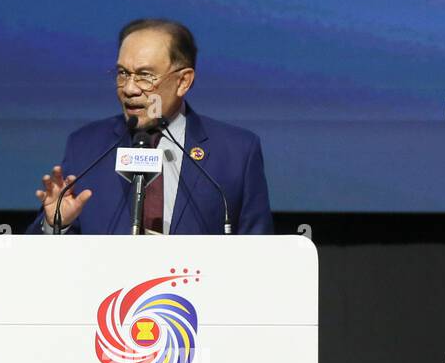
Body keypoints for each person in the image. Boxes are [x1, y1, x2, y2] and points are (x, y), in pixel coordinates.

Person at [31, 18, 272, 235]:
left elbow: (260, 252)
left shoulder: (237, 151)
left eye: (145, 75)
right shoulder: (86, 146)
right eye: (123, 73)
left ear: (183, 81)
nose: (129, 89)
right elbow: (38, 259)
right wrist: (56, 225)